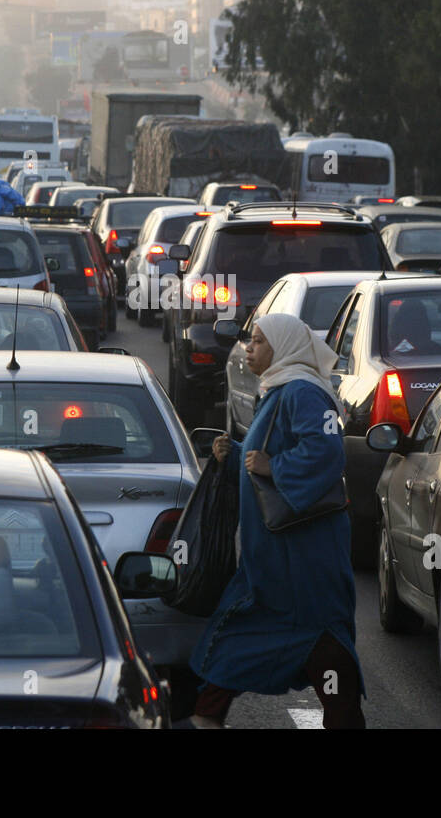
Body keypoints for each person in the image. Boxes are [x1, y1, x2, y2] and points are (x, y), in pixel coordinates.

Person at [187, 312, 364, 729]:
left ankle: (207, 713)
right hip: (274, 556)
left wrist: (273, 467)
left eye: (260, 341)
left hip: (302, 556)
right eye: (250, 340)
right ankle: (207, 712)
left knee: (317, 641)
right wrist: (235, 457)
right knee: (270, 634)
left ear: (283, 347)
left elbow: (325, 452)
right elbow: (262, 459)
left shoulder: (304, 392)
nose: (249, 348)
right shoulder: (279, 389)